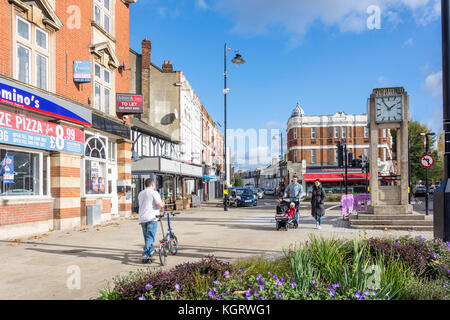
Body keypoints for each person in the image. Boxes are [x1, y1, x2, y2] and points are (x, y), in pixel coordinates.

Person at [138, 174, 165, 264]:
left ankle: (151, 250)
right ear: (152, 184)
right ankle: (145, 255)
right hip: (152, 218)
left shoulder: (140, 193)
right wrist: (163, 203)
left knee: (147, 238)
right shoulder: (154, 193)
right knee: (150, 237)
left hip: (142, 218)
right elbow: (159, 205)